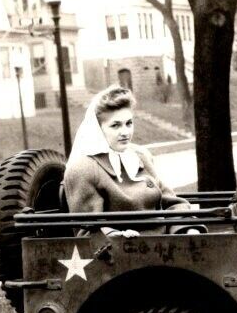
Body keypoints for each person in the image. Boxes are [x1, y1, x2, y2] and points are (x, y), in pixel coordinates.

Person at [63, 85, 202, 237]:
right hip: (123, 249)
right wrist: (118, 237)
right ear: (97, 128)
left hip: (166, 243)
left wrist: (189, 228)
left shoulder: (140, 156)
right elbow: (88, 230)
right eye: (115, 125)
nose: (125, 132)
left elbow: (171, 203)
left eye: (129, 123)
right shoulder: (84, 168)